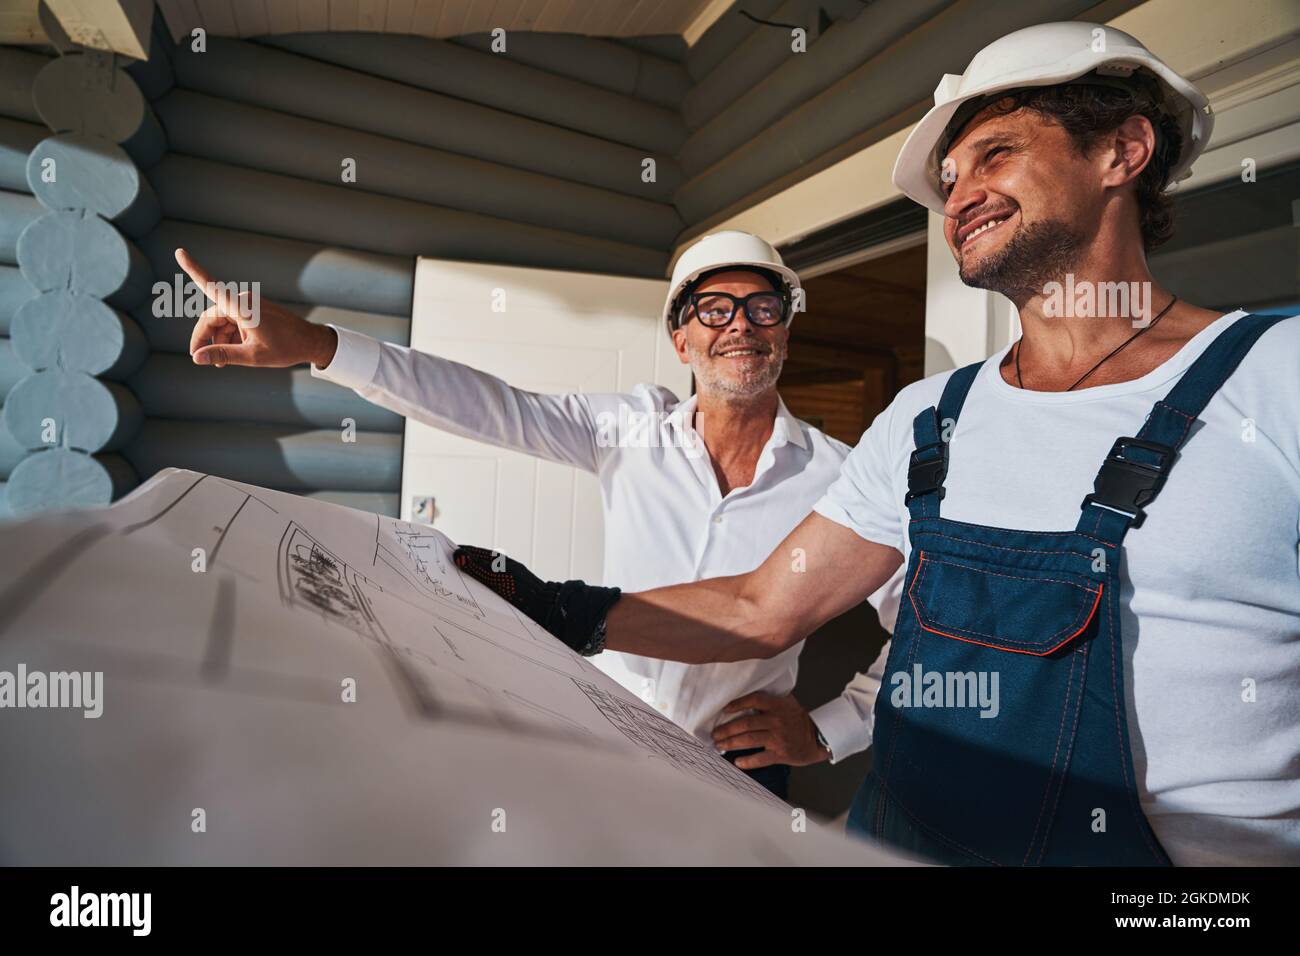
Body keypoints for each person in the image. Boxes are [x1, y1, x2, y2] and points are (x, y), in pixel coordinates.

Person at [451, 22, 1300, 865]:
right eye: (950, 179)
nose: (959, 197)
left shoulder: (1275, 381)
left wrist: (820, 733)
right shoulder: (928, 420)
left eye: (996, 153)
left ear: (1124, 149)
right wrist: (560, 606)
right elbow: (759, 608)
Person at [177, 231, 900, 800]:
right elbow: (488, 405)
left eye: (763, 308)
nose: (741, 324)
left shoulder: (840, 476)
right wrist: (316, 344)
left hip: (740, 765)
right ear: (682, 339)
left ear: (784, 331)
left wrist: (827, 731)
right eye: (715, 308)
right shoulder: (629, 429)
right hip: (601, 731)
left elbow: (922, 626)